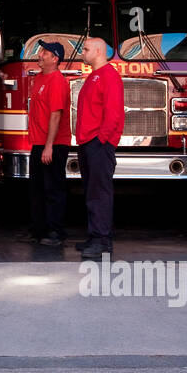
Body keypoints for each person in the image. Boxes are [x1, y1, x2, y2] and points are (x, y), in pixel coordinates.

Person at [17, 40, 72, 255]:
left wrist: (49, 146)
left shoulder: (57, 81)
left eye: (44, 52)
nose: (39, 55)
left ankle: (55, 232)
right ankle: (39, 229)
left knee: (53, 188)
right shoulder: (39, 78)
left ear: (55, 58)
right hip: (39, 143)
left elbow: (56, 115)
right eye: (40, 51)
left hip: (54, 145)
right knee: (37, 188)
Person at [74, 37, 125, 260]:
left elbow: (113, 114)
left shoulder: (109, 76)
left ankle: (101, 240)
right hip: (88, 143)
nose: (82, 53)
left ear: (97, 51)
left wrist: (102, 141)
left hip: (98, 144)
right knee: (91, 192)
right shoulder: (93, 76)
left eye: (85, 49)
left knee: (99, 193)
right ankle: (96, 237)